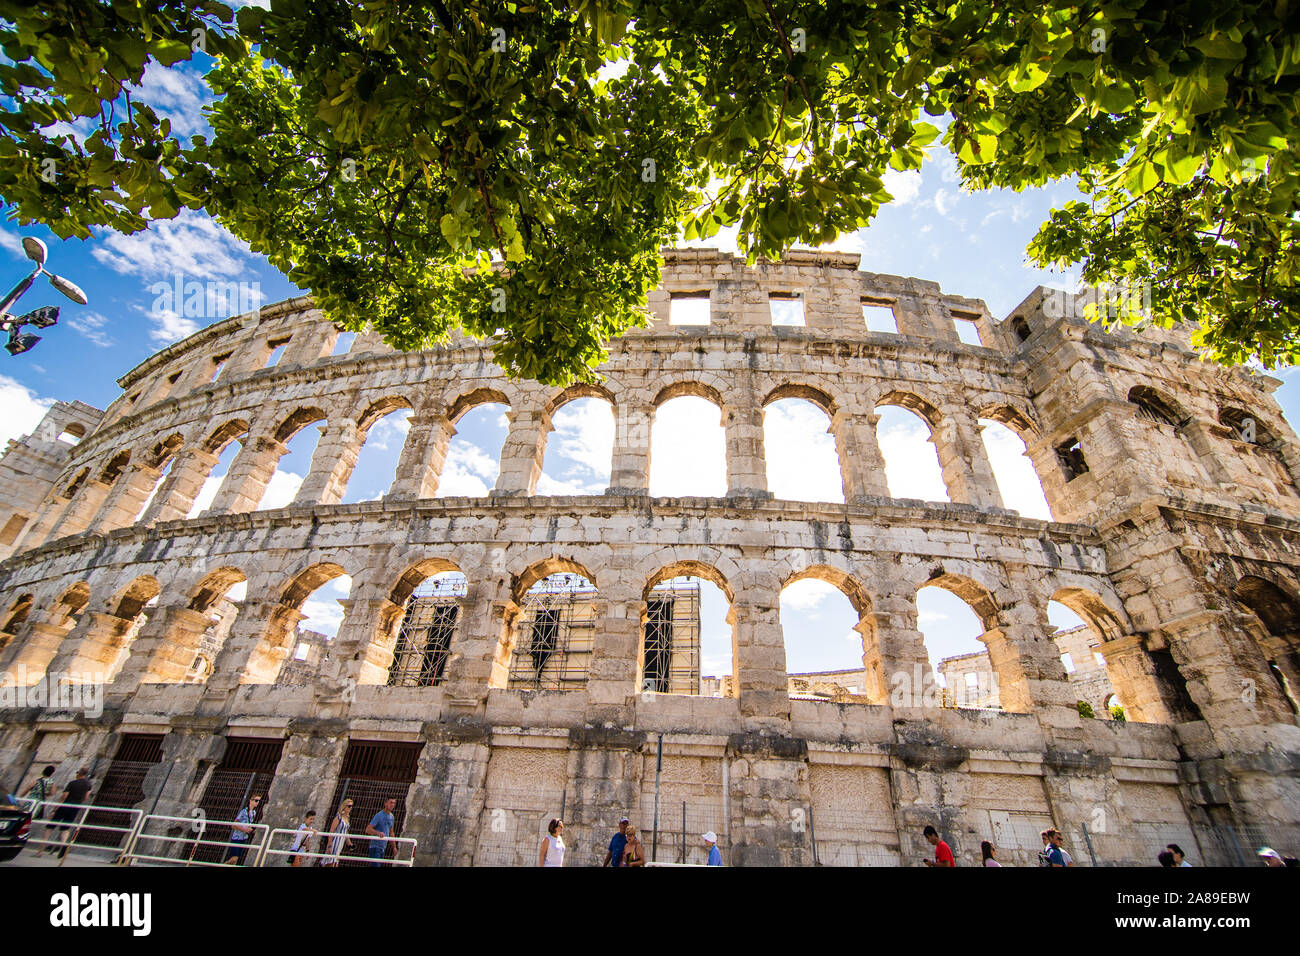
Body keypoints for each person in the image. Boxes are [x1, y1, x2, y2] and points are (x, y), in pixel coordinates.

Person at [49, 767, 92, 858]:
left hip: (65, 806)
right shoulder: (88, 784)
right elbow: (86, 797)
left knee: (50, 827)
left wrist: (54, 809)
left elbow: (64, 796)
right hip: (75, 807)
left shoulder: (72, 783)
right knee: (66, 828)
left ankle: (40, 850)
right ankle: (63, 844)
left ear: (79, 774)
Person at [224, 793, 261, 865]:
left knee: (235, 860)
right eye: (256, 800)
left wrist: (252, 830)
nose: (257, 803)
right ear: (251, 801)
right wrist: (244, 830)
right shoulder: (244, 812)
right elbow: (234, 825)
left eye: (259, 801)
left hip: (244, 838)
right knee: (233, 859)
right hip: (237, 837)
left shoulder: (254, 813)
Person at [365, 797, 397, 866]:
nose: (392, 805)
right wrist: (377, 833)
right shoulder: (379, 815)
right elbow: (368, 829)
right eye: (390, 802)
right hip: (375, 846)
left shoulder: (391, 817)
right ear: (385, 803)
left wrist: (394, 847)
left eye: (394, 803)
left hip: (383, 847)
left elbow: (391, 832)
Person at [321, 799, 352, 867]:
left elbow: (345, 832)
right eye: (349, 806)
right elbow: (331, 831)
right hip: (335, 841)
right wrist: (329, 845)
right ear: (344, 806)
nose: (350, 808)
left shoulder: (347, 819)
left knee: (335, 862)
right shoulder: (338, 818)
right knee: (329, 862)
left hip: (340, 842)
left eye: (351, 806)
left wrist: (349, 844)